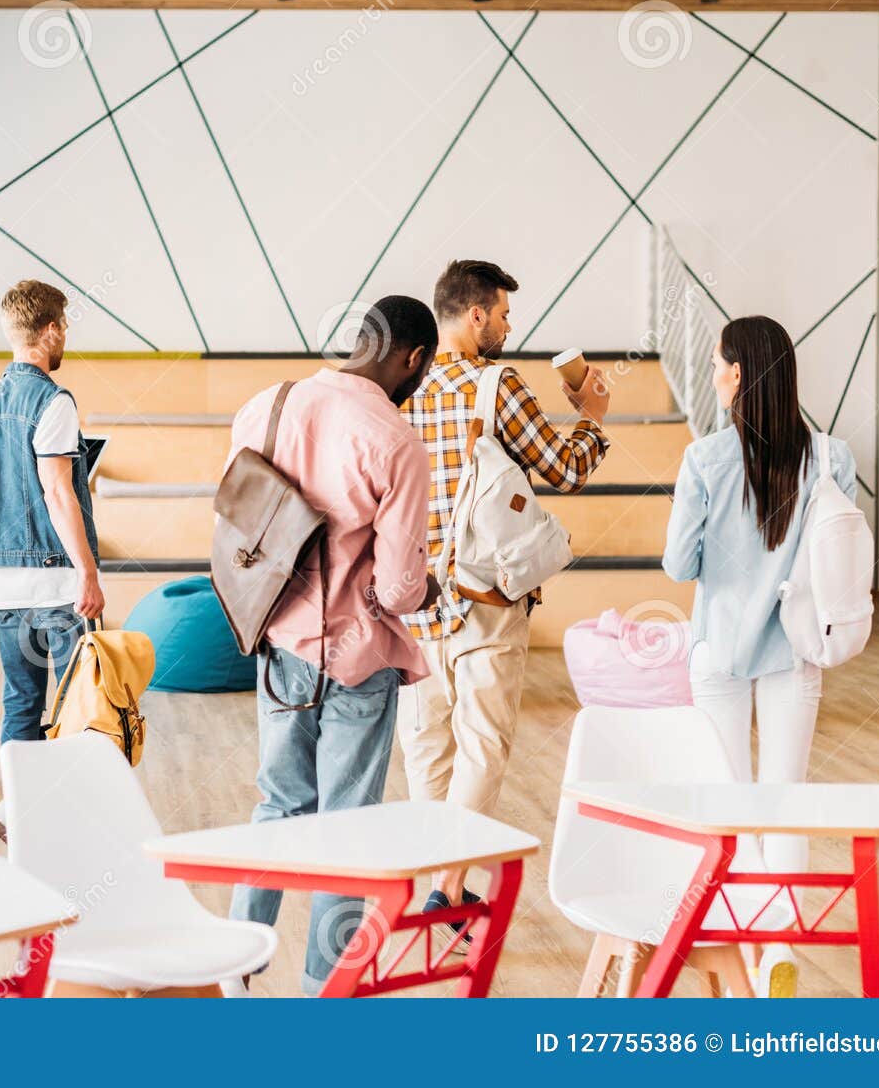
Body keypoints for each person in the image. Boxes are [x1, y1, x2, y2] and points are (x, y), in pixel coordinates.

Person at [226, 295, 440, 996]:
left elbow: (241, 517)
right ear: (412, 359)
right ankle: (327, 990)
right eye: (423, 371)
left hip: (278, 640)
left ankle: (236, 965)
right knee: (347, 826)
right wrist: (431, 589)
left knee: (279, 805)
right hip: (355, 660)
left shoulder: (267, 405)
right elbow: (402, 588)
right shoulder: (397, 441)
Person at [399, 260, 611, 932]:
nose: (509, 327)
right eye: (504, 313)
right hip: (485, 600)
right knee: (483, 746)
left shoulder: (398, 386)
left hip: (413, 599)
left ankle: (443, 891)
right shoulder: (496, 383)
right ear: (476, 314)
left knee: (428, 747)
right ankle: (447, 889)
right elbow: (565, 470)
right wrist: (594, 418)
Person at [663, 314, 856, 999]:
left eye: (718, 363)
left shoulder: (704, 459)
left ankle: (740, 944)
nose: (714, 375)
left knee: (729, 801)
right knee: (785, 799)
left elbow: (679, 564)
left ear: (739, 373)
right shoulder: (833, 458)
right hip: (796, 653)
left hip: (717, 650)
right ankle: (782, 948)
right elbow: (834, 561)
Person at [0, 280, 103, 844]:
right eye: (63, 326)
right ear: (49, 331)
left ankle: (16, 802)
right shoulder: (53, 400)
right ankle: (57, 815)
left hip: (4, 587)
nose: (65, 336)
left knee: (20, 701)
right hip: (56, 582)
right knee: (74, 702)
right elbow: (59, 493)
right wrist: (88, 573)